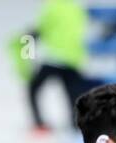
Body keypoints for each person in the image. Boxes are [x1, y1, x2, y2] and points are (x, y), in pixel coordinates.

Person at [26, 0, 89, 133]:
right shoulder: (76, 7)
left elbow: (42, 29)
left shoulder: (52, 6)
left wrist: (27, 39)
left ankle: (39, 122)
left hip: (53, 58)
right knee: (72, 94)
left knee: (34, 88)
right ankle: (75, 124)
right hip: (72, 59)